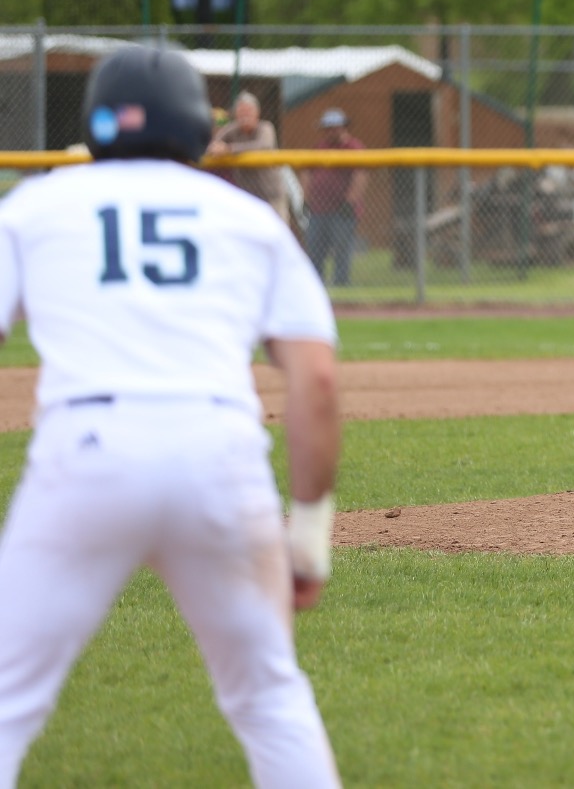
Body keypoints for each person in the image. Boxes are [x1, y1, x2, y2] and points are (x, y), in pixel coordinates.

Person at [0, 47, 342, 786]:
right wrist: (310, 536)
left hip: (85, 455)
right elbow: (315, 380)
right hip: (218, 456)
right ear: (197, 126)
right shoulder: (249, 220)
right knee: (269, 697)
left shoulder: (35, 206)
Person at [208, 91, 292, 231]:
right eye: (241, 113)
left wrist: (229, 149)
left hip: (272, 198)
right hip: (248, 200)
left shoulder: (265, 128)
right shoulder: (232, 130)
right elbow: (213, 146)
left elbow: (263, 146)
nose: (244, 116)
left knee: (276, 235)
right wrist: (216, 147)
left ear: (257, 113)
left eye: (248, 112)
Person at [302, 108, 367, 286]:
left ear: (343, 127)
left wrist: (350, 201)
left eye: (335, 127)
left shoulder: (354, 147)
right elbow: (307, 173)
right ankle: (316, 284)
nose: (331, 131)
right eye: (327, 128)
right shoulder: (319, 147)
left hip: (342, 209)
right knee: (315, 247)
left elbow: (360, 175)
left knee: (342, 247)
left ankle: (341, 283)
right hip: (318, 209)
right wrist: (305, 199)